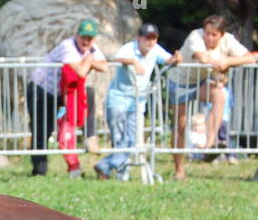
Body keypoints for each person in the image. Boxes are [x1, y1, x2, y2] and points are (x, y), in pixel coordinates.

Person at [170, 15, 254, 180]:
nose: (208, 37)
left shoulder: (228, 40)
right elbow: (202, 58)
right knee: (180, 126)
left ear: (222, 34)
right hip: (179, 81)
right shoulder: (195, 35)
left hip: (200, 81)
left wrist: (228, 61)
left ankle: (210, 144)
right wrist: (219, 64)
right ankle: (179, 170)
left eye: (213, 34)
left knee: (219, 96)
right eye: (207, 33)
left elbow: (250, 58)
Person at [95, 23, 177, 181]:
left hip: (138, 101)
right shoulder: (129, 48)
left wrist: (177, 57)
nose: (151, 42)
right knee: (119, 138)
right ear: (139, 38)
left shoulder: (155, 50)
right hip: (118, 99)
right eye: (147, 38)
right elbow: (118, 58)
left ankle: (105, 166)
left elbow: (168, 59)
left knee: (132, 140)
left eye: (154, 38)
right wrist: (133, 62)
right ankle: (117, 172)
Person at [26, 19, 106, 176]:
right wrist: (90, 60)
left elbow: (104, 66)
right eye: (83, 37)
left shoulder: (92, 48)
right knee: (42, 129)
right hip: (42, 90)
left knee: (69, 123)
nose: (86, 41)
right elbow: (81, 71)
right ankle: (39, 171)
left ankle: (89, 138)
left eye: (90, 38)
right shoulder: (67, 46)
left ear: (94, 39)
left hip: (63, 94)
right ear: (77, 35)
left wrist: (88, 60)